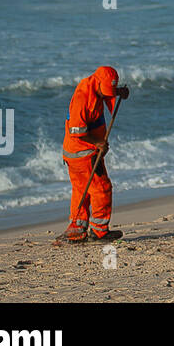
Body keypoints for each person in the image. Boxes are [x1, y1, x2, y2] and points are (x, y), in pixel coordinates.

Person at [60, 65, 129, 243]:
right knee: (101, 188)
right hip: (82, 153)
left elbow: (106, 92)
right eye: (105, 90)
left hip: (76, 152)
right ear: (97, 82)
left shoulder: (94, 86)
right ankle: (99, 231)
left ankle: (77, 229)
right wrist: (97, 143)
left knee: (81, 189)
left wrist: (119, 92)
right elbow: (77, 131)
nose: (106, 94)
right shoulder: (83, 98)